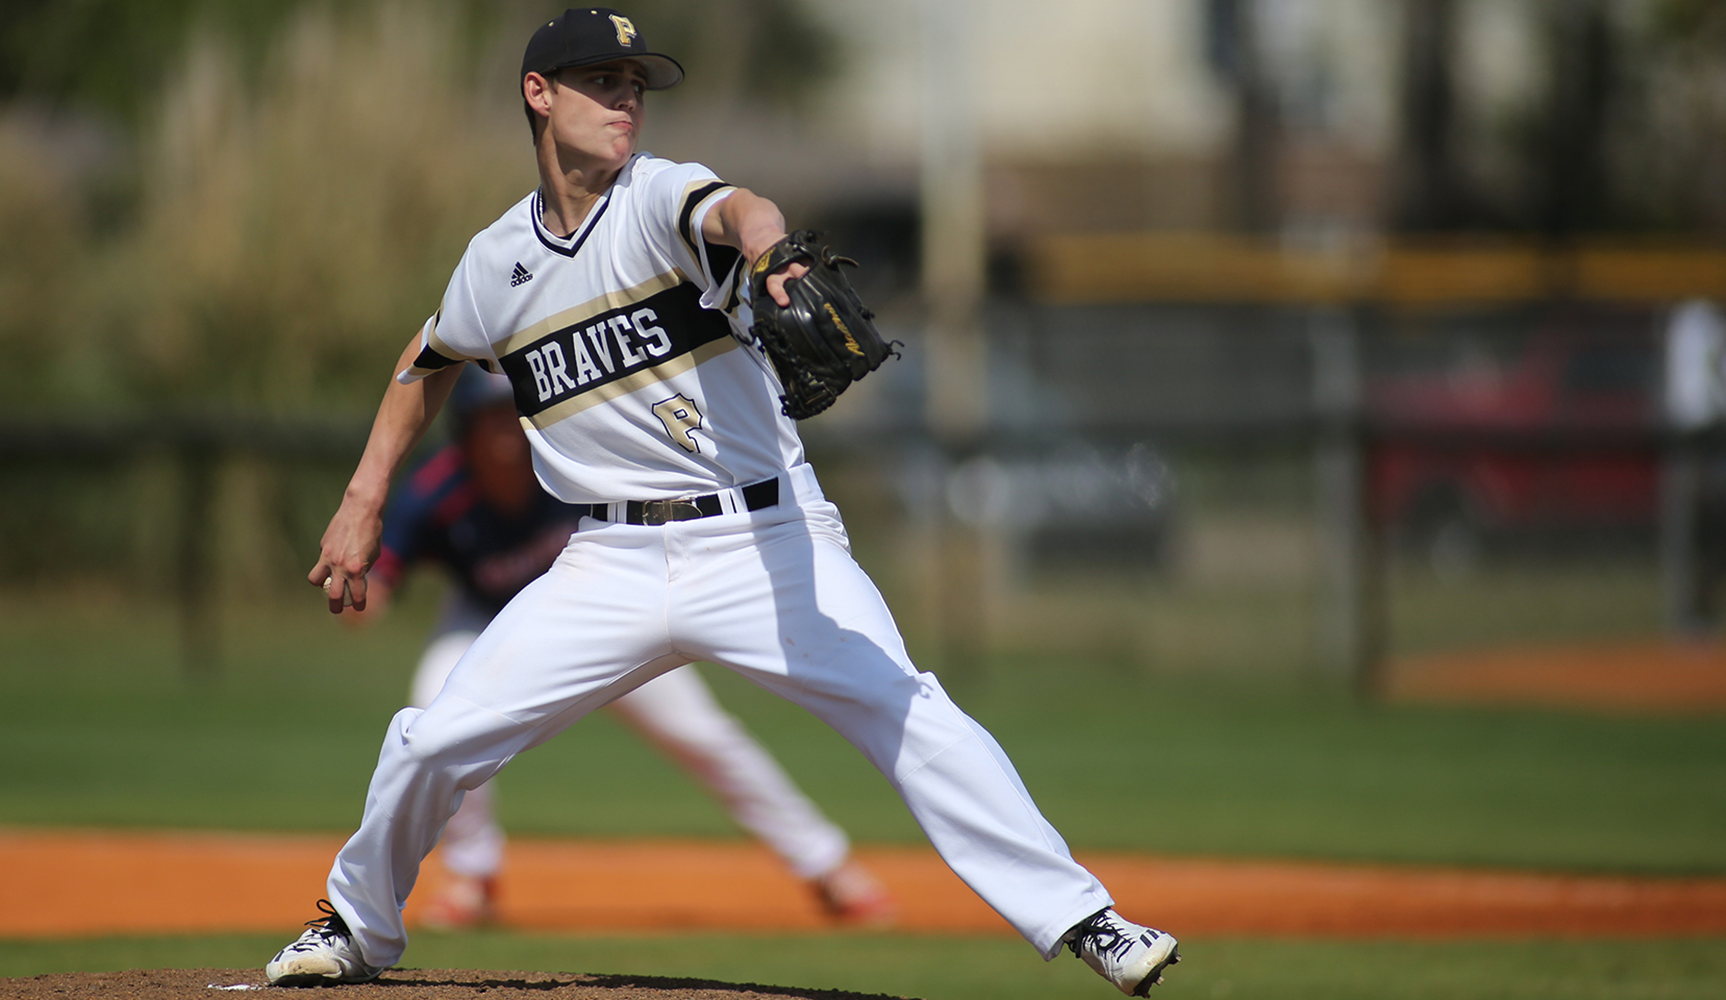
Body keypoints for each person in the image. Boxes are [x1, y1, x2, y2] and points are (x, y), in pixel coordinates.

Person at [269, 9, 1181, 997]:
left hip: (764, 536)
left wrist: (774, 252)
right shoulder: (497, 263)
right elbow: (430, 356)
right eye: (600, 80)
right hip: (605, 562)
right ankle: (356, 927)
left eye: (636, 83)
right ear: (538, 93)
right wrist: (363, 499)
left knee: (902, 705)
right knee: (434, 736)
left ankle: (1088, 921)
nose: (626, 98)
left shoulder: (656, 197)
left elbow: (736, 207)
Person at [370, 366, 895, 928]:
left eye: (510, 419)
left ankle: (827, 865)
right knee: (439, 709)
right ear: (464, 429)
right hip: (482, 620)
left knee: (701, 732)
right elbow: (381, 576)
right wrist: (362, 591)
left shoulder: (567, 471)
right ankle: (473, 877)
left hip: (608, 610)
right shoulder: (439, 490)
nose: (502, 433)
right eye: (488, 421)